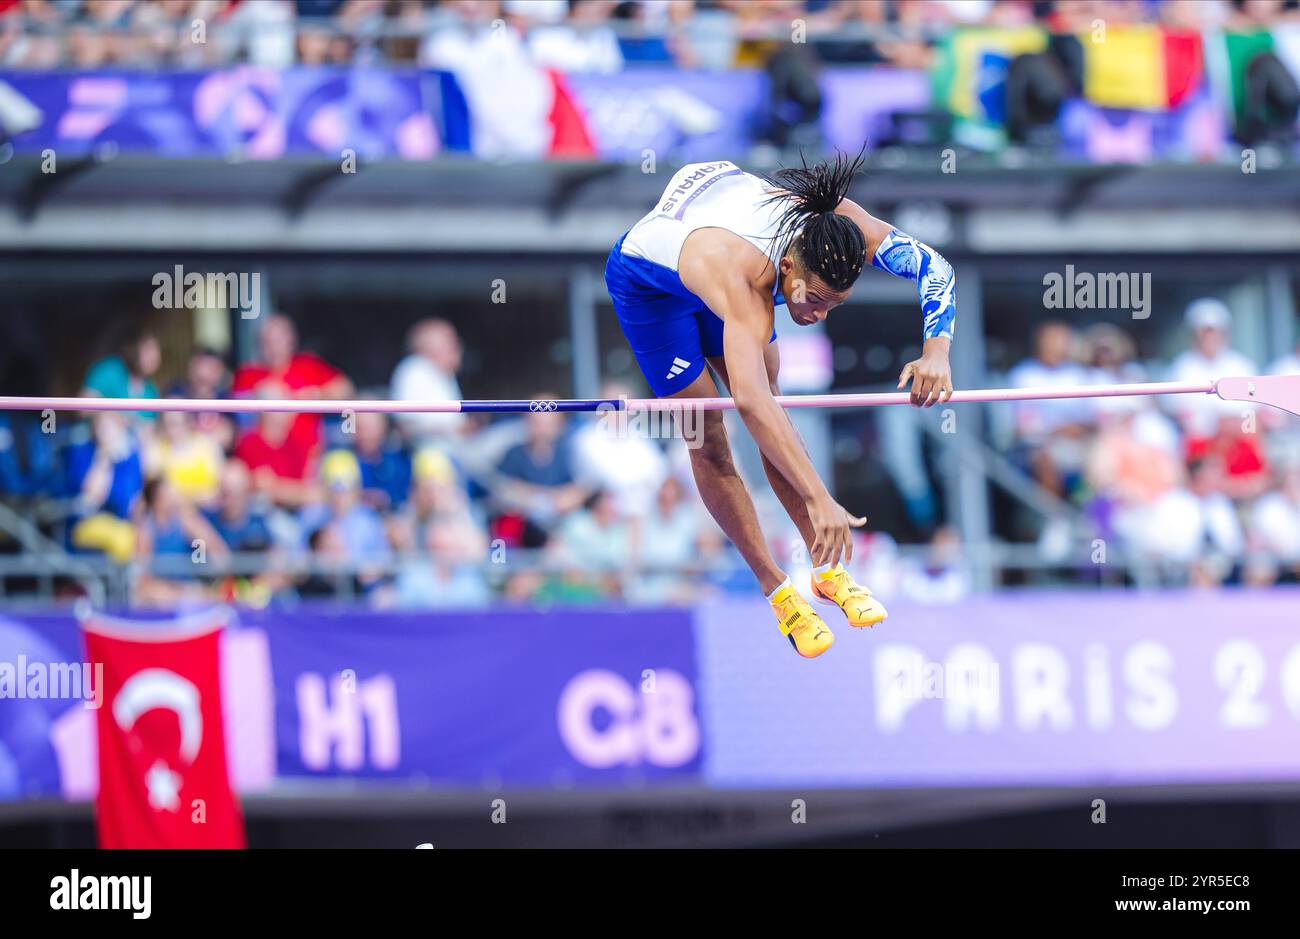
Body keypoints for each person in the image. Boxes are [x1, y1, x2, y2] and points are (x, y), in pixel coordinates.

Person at [604, 153, 957, 657]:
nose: (816, 315)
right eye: (811, 299)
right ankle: (779, 593)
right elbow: (750, 404)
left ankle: (828, 573)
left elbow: (934, 267)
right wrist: (819, 496)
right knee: (710, 438)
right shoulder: (747, 281)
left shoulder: (839, 230)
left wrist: (936, 352)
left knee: (776, 412)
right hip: (651, 285)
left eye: (834, 306)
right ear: (787, 266)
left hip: (720, 219)